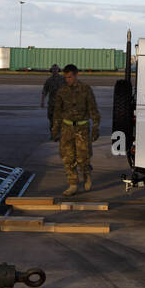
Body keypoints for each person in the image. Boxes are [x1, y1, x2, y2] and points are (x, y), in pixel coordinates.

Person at [51, 64, 100, 196]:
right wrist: (55, 129)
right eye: (66, 77)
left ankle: (87, 174)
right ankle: (73, 184)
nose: (68, 80)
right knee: (67, 157)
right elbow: (57, 112)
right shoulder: (62, 91)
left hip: (82, 128)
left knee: (83, 157)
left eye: (70, 77)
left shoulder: (85, 90)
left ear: (76, 75)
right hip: (67, 128)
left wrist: (95, 127)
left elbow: (93, 109)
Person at [40, 64, 64, 136]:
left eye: (56, 69)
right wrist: (42, 101)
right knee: (51, 118)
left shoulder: (63, 79)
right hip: (51, 103)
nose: (55, 71)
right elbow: (44, 91)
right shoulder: (49, 80)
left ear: (58, 70)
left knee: (60, 119)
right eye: (53, 69)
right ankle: (53, 133)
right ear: (51, 70)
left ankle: (59, 133)